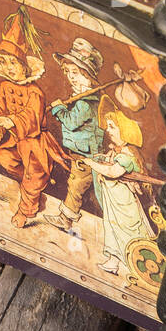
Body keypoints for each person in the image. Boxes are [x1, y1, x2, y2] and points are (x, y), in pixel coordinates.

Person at [0, 12, 62, 229]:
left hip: (35, 142)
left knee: (34, 173)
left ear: (25, 65)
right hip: (15, 141)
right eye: (3, 62)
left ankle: (25, 211)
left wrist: (13, 120)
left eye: (13, 62)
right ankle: (32, 192)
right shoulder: (5, 86)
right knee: (5, 158)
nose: (8, 67)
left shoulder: (34, 91)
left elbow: (32, 117)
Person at [44, 39, 105, 232]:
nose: (71, 77)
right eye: (68, 72)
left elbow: (70, 121)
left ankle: (66, 219)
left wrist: (59, 108)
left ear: (88, 75)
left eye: (76, 73)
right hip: (80, 153)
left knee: (77, 186)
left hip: (87, 155)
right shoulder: (81, 97)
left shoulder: (87, 102)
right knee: (76, 185)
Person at [88, 99, 154, 277]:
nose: (108, 130)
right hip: (114, 204)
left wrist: (90, 163)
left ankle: (143, 263)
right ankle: (113, 262)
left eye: (112, 126)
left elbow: (112, 172)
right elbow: (110, 163)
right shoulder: (117, 151)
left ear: (123, 130)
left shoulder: (127, 154)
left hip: (124, 204)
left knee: (130, 231)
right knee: (112, 228)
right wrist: (101, 158)